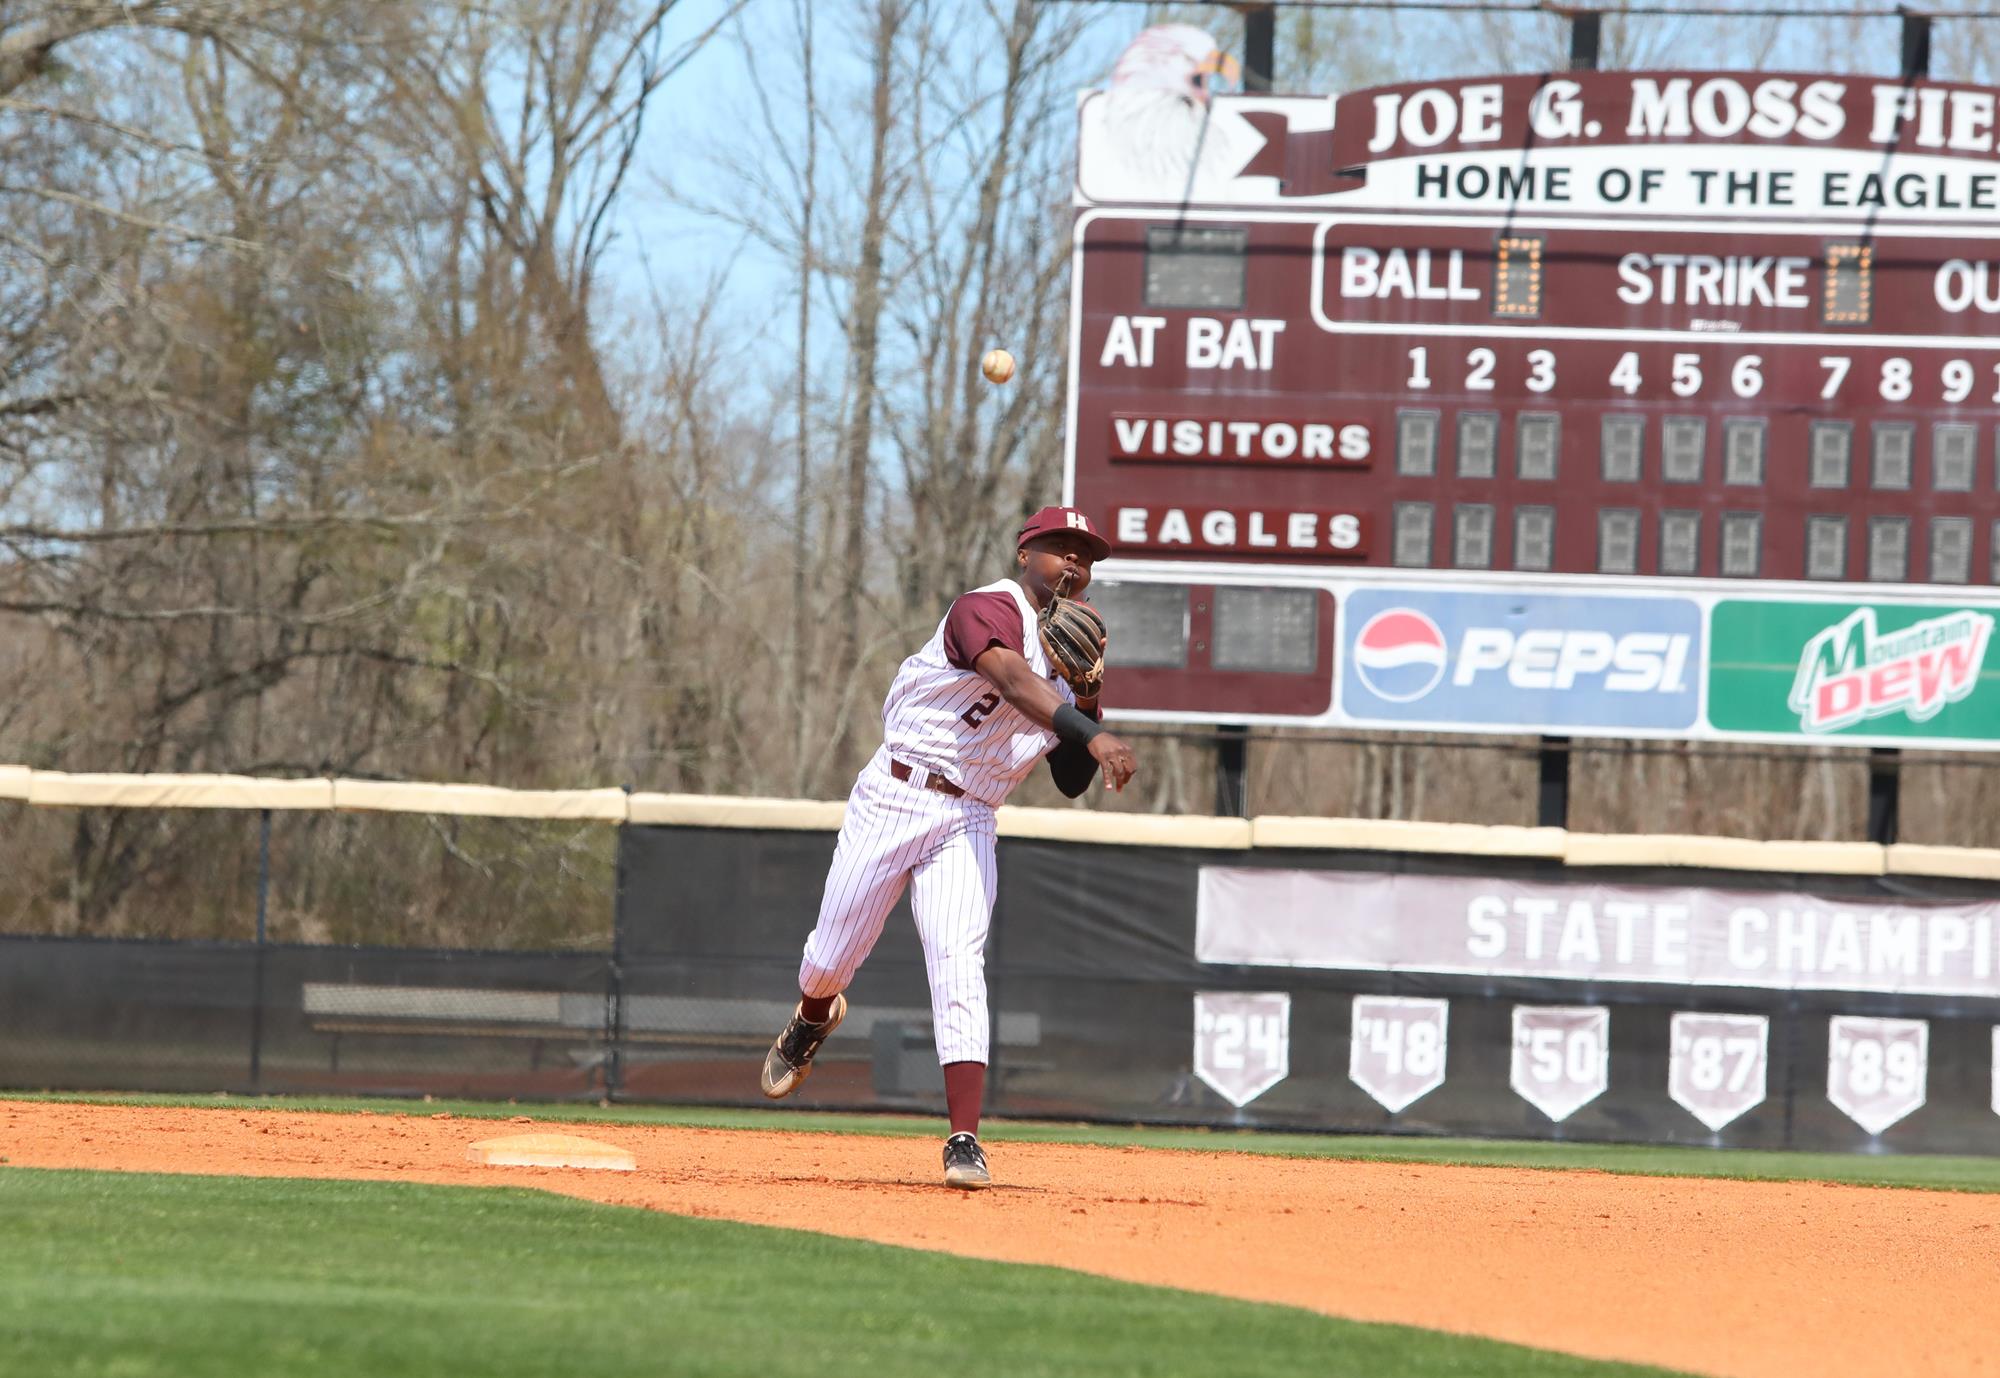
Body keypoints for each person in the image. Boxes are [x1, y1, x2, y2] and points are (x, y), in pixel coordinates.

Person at [760, 505, 1139, 1189]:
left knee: (959, 963)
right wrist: (1094, 732)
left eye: (1085, 557)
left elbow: (1073, 782)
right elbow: (1011, 681)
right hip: (895, 794)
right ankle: (814, 1016)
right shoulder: (983, 610)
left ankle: (964, 1137)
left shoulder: (1070, 666)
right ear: (1026, 555)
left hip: (970, 818)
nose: (1074, 564)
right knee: (828, 959)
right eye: (1060, 548)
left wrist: (1089, 697)